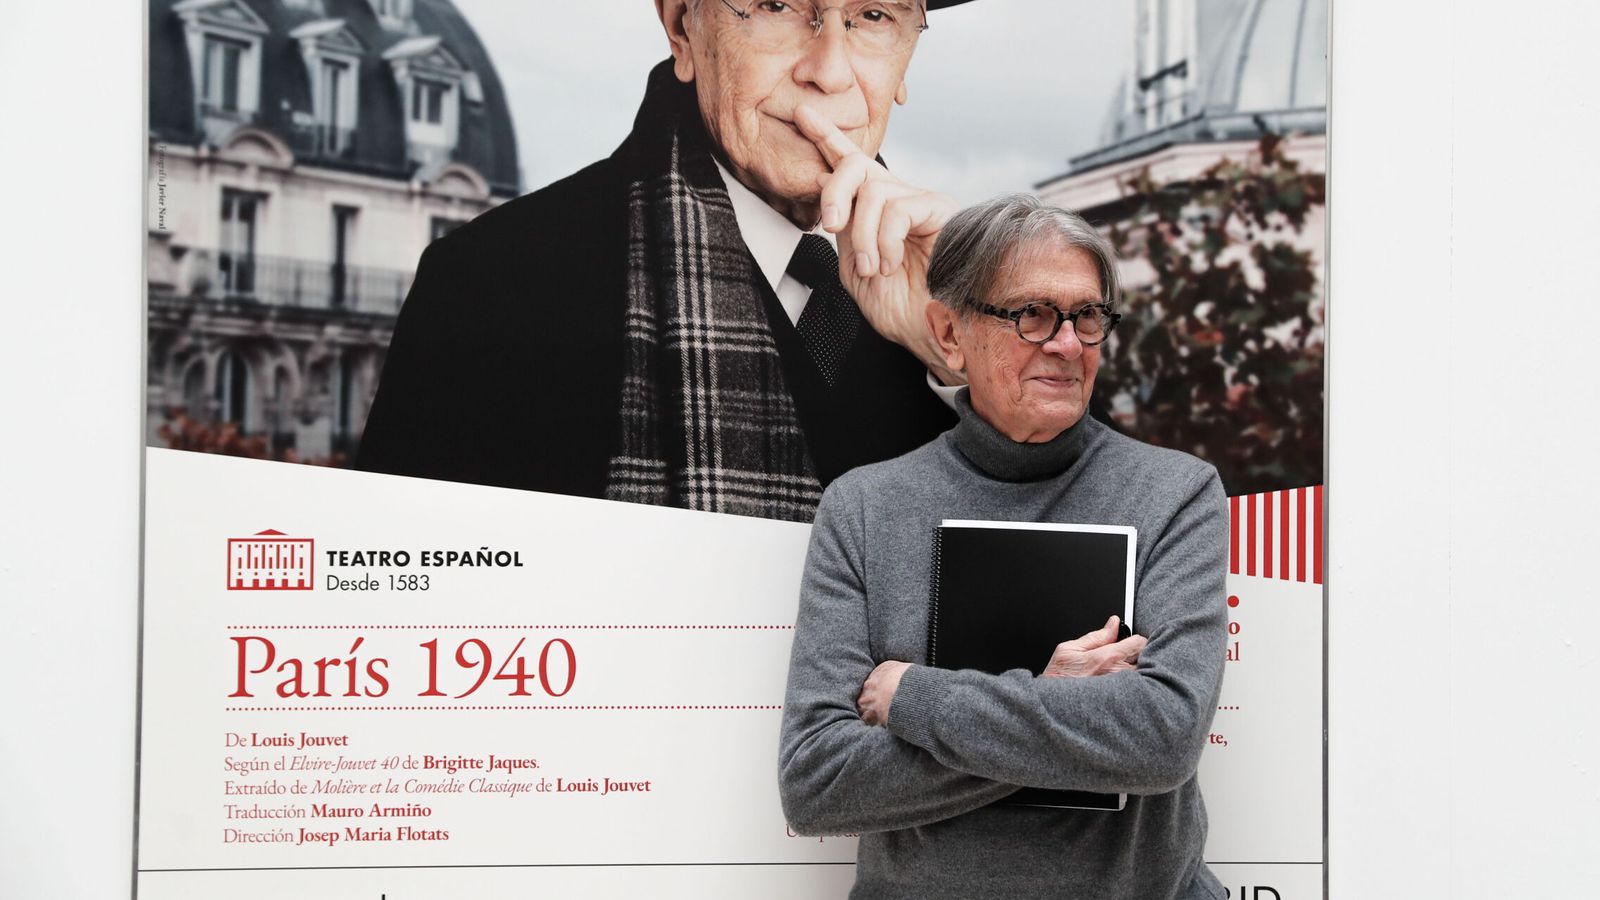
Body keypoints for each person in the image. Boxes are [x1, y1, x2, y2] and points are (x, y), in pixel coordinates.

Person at [356, 0, 978, 522]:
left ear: (906, 61)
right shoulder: (486, 286)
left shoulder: (965, 302)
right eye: (776, 5)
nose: (831, 73)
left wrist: (974, 341)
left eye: (873, 14)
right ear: (683, 27)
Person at [778, 194, 1229, 899]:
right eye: (1033, 314)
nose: (1068, 343)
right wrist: (1056, 705)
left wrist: (915, 700)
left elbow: (1162, 737)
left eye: (1087, 316)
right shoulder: (865, 508)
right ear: (950, 335)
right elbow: (819, 783)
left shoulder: (1176, 494)